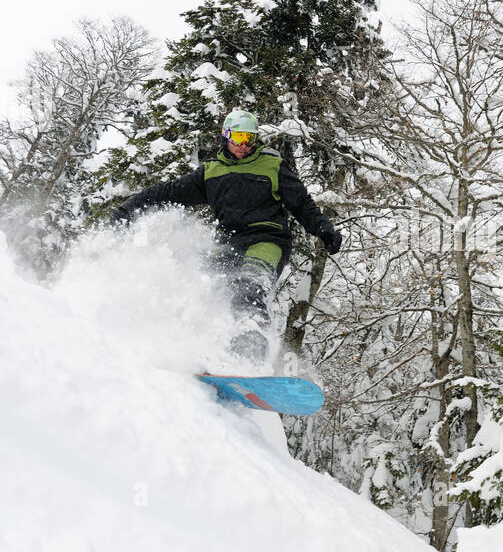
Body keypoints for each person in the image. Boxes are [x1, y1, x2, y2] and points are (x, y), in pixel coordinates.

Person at [108, 108, 342, 362]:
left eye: (250, 139)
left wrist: (323, 228)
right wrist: (128, 208)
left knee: (249, 285)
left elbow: (302, 203)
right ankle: (197, 351)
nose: (244, 145)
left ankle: (248, 356)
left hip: (267, 240)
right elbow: (167, 191)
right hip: (229, 242)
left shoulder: (272, 166)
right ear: (226, 136)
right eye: (239, 138)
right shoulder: (211, 172)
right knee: (205, 286)